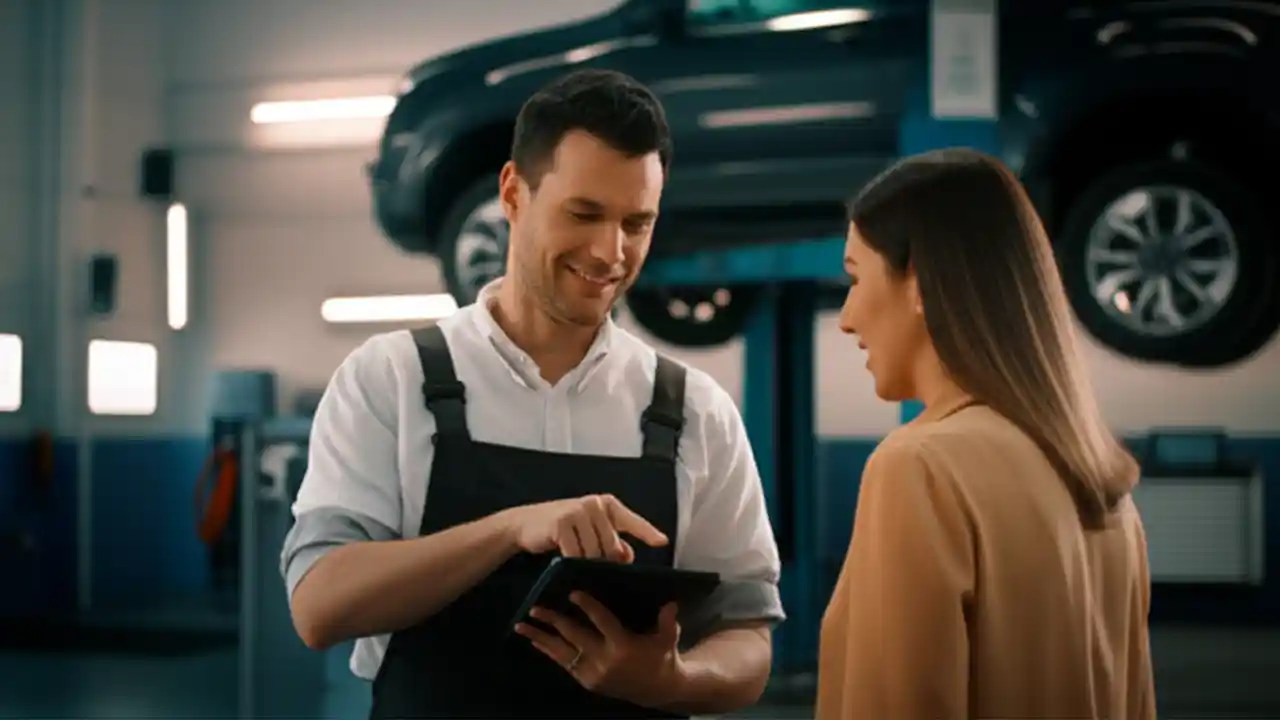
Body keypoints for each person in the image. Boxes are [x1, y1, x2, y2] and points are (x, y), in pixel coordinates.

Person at [280, 68, 784, 719]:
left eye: (637, 222)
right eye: (584, 214)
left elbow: (748, 637)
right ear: (513, 193)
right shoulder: (389, 379)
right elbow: (319, 605)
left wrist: (674, 680)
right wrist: (513, 529)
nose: (611, 251)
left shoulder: (695, 412)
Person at [815, 148, 1156, 719]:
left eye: (855, 278)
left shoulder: (921, 467)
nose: (847, 316)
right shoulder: (1100, 484)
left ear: (920, 281)